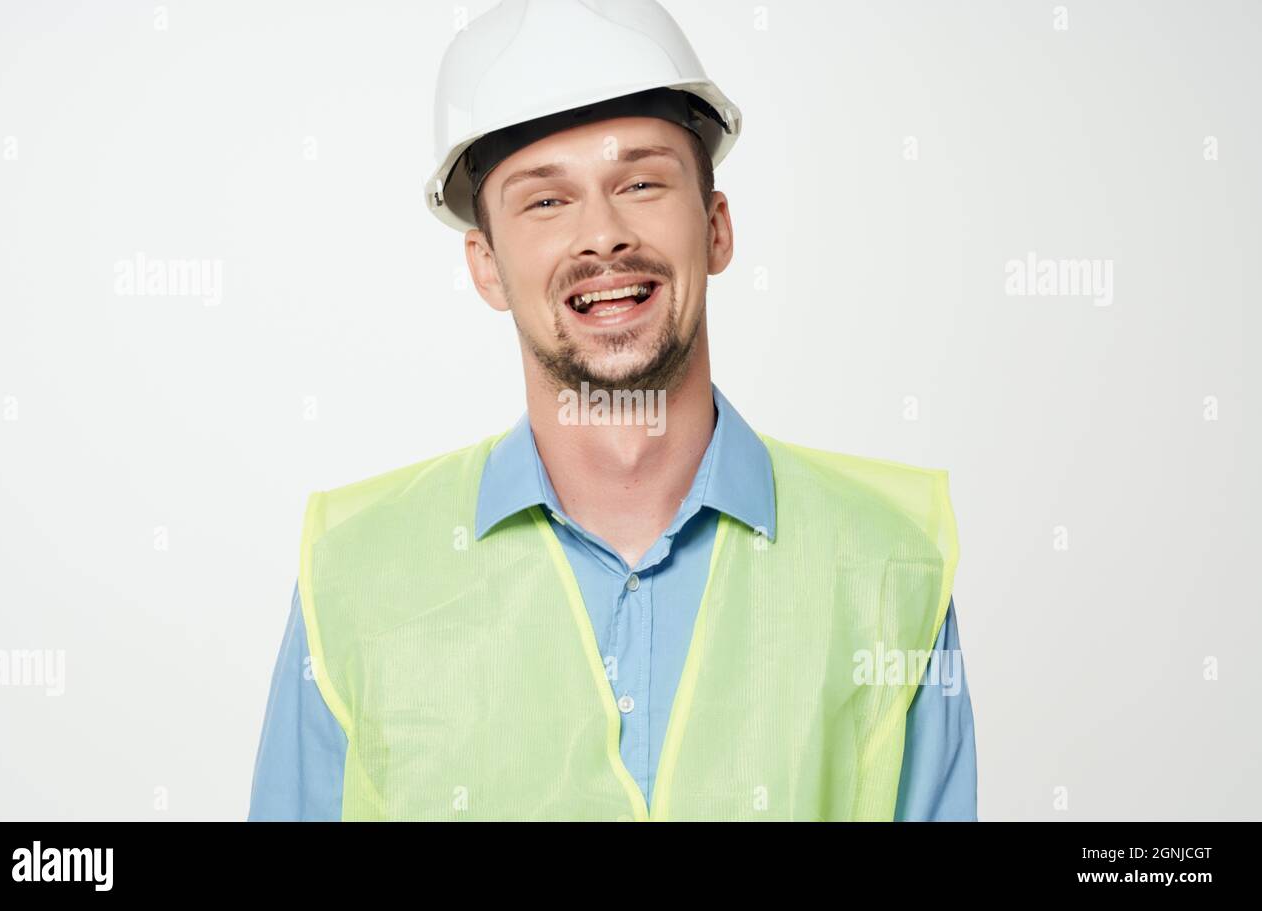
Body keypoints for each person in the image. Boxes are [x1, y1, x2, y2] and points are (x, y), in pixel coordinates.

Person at [249, 0, 975, 821]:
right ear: (485, 266)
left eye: (640, 181)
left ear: (717, 226)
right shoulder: (355, 572)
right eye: (546, 202)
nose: (603, 236)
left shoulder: (888, 562)